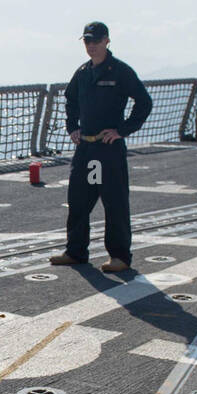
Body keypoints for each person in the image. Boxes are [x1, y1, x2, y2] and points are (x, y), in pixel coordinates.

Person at [49, 22, 152, 273]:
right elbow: (70, 100)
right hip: (86, 150)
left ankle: (119, 257)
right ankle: (75, 251)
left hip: (108, 150)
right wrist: (72, 126)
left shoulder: (120, 71)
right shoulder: (83, 72)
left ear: (107, 41)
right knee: (79, 201)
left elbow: (144, 102)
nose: (91, 46)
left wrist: (122, 131)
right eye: (87, 41)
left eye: (96, 41)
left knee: (114, 202)